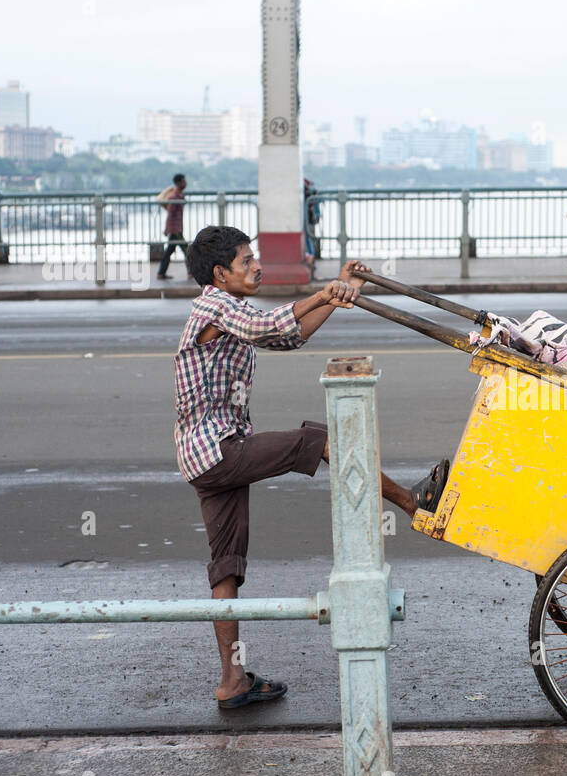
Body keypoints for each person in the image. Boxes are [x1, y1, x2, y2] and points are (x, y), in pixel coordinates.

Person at [174, 226, 450, 708]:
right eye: (246, 261)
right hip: (218, 450)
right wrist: (322, 292)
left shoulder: (230, 309)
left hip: (208, 456)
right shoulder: (213, 305)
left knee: (226, 570)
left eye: (255, 257)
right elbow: (268, 326)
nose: (257, 267)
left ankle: (231, 682)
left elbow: (290, 336)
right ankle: (410, 501)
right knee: (320, 439)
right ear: (220, 274)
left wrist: (345, 291)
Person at [157, 173, 191, 281]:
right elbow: (170, 214)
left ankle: (161, 272)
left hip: (177, 228)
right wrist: (167, 229)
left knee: (169, 251)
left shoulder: (179, 195)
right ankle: (191, 272)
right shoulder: (174, 197)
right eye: (183, 181)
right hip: (175, 229)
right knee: (187, 250)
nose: (185, 183)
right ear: (178, 183)